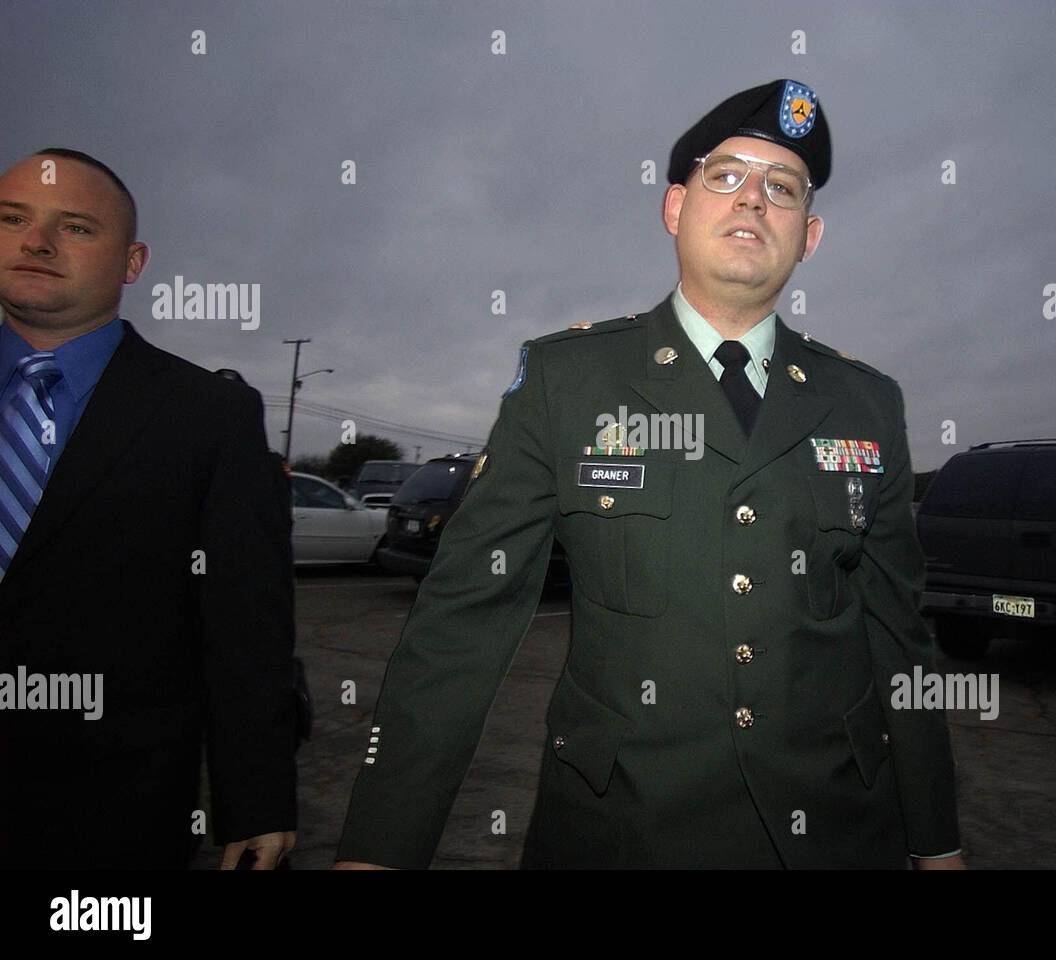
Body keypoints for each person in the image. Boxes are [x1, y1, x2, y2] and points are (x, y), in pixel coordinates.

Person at [335, 79, 966, 869]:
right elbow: (462, 621)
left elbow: (899, 638)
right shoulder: (567, 382)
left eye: (783, 188)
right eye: (726, 176)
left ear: (809, 235)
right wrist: (381, 847)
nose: (753, 201)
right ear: (674, 208)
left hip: (837, 834)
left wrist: (937, 840)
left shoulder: (866, 403)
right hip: (621, 832)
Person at [0, 148, 298, 869]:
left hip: (104, 819)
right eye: (12, 219)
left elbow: (245, 625)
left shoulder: (209, 416)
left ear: (132, 263)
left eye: (74, 227)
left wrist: (254, 798)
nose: (35, 242)